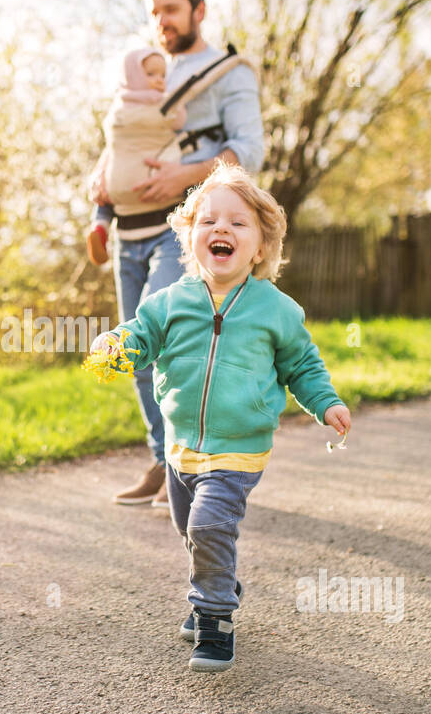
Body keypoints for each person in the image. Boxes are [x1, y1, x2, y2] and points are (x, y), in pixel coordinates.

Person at [88, 162, 352, 672]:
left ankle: (214, 617)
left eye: (237, 223)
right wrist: (117, 347)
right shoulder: (170, 303)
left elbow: (302, 365)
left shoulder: (275, 309)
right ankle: (221, 579)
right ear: (190, 240)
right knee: (190, 528)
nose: (221, 230)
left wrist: (327, 403)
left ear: (260, 246)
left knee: (210, 526)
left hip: (239, 449)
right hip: (180, 449)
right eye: (208, 222)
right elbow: (139, 337)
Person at [88, 0, 266, 508]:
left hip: (182, 228)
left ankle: (189, 466)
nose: (161, 21)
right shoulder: (146, 73)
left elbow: (248, 151)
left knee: (157, 335)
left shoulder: (228, 73)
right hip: (128, 229)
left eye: (171, 9)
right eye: (155, 12)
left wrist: (180, 175)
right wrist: (99, 183)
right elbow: (123, 138)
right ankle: (165, 463)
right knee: (134, 351)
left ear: (198, 10)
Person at [85, 48, 188, 266]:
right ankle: (99, 227)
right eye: (151, 75)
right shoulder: (161, 103)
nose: (159, 81)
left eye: (162, 76)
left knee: (106, 195)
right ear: (134, 76)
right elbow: (179, 121)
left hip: (118, 188)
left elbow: (113, 145)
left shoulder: (118, 105)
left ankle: (99, 226)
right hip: (147, 187)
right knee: (110, 184)